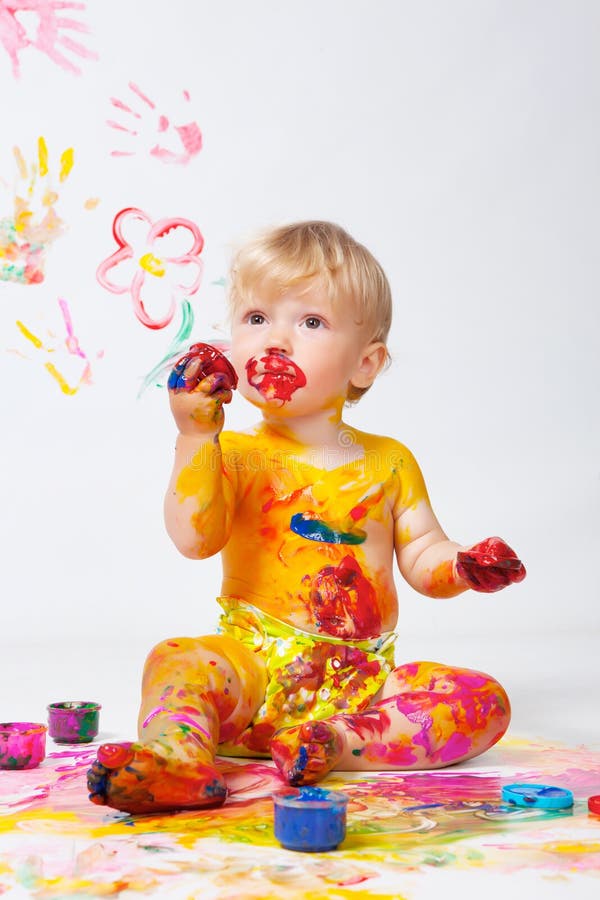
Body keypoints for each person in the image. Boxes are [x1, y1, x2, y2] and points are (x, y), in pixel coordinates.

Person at [87, 221, 525, 814]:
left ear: (365, 364)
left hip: (363, 691)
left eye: (311, 322)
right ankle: (179, 763)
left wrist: (465, 565)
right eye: (257, 318)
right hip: (251, 680)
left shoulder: (389, 461)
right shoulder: (235, 452)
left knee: (484, 699)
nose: (276, 341)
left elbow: (423, 556)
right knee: (177, 659)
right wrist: (194, 436)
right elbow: (194, 540)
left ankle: (332, 745)